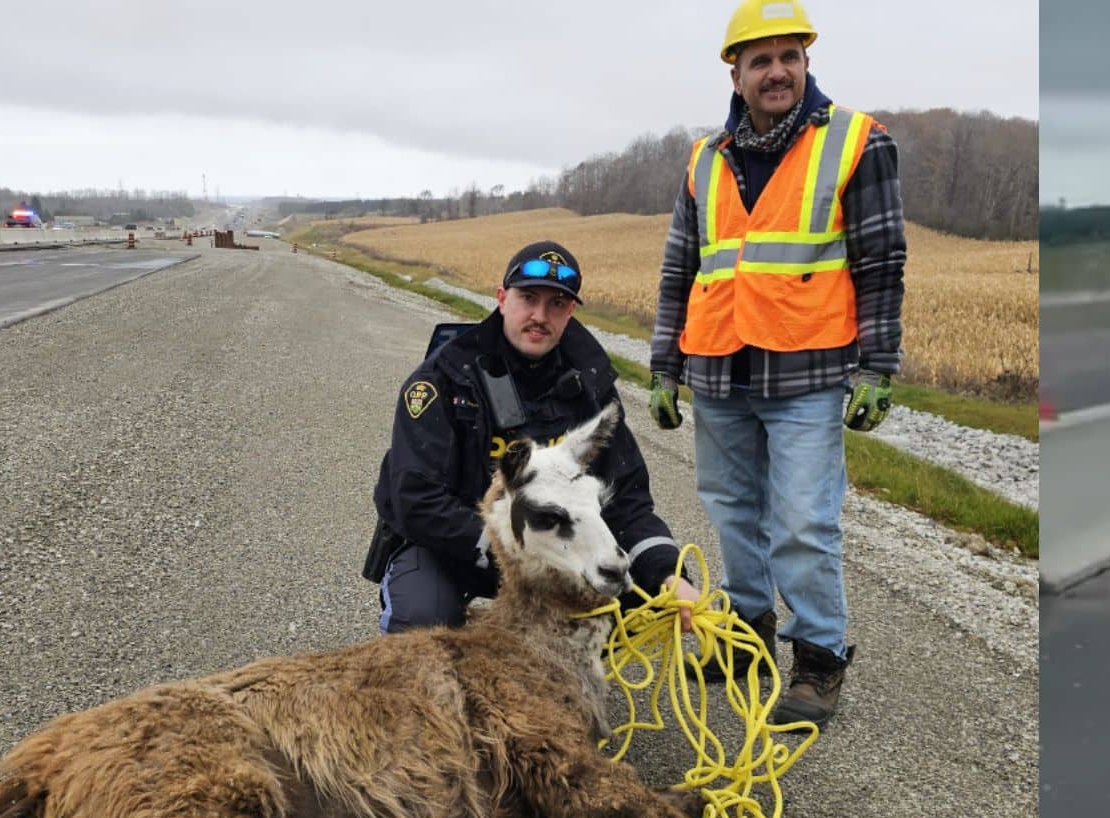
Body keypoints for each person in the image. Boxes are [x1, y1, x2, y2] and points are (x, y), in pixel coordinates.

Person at [646, 0, 907, 729]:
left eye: (789, 56)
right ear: (735, 70)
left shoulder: (858, 140)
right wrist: (665, 365)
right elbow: (681, 269)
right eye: (760, 60)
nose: (777, 71)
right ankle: (745, 637)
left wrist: (878, 367)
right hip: (718, 366)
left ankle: (819, 660)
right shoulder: (706, 157)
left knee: (801, 522)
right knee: (733, 512)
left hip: (808, 368)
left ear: (806, 62)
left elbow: (883, 262)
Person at [364, 240, 699, 633]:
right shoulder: (441, 380)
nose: (540, 315)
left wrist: (668, 574)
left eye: (557, 304)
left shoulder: (592, 385)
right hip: (453, 544)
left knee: (643, 596)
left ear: (571, 311)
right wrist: (517, 552)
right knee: (423, 623)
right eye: (528, 298)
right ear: (502, 299)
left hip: (551, 552)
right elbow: (415, 501)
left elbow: (627, 500)